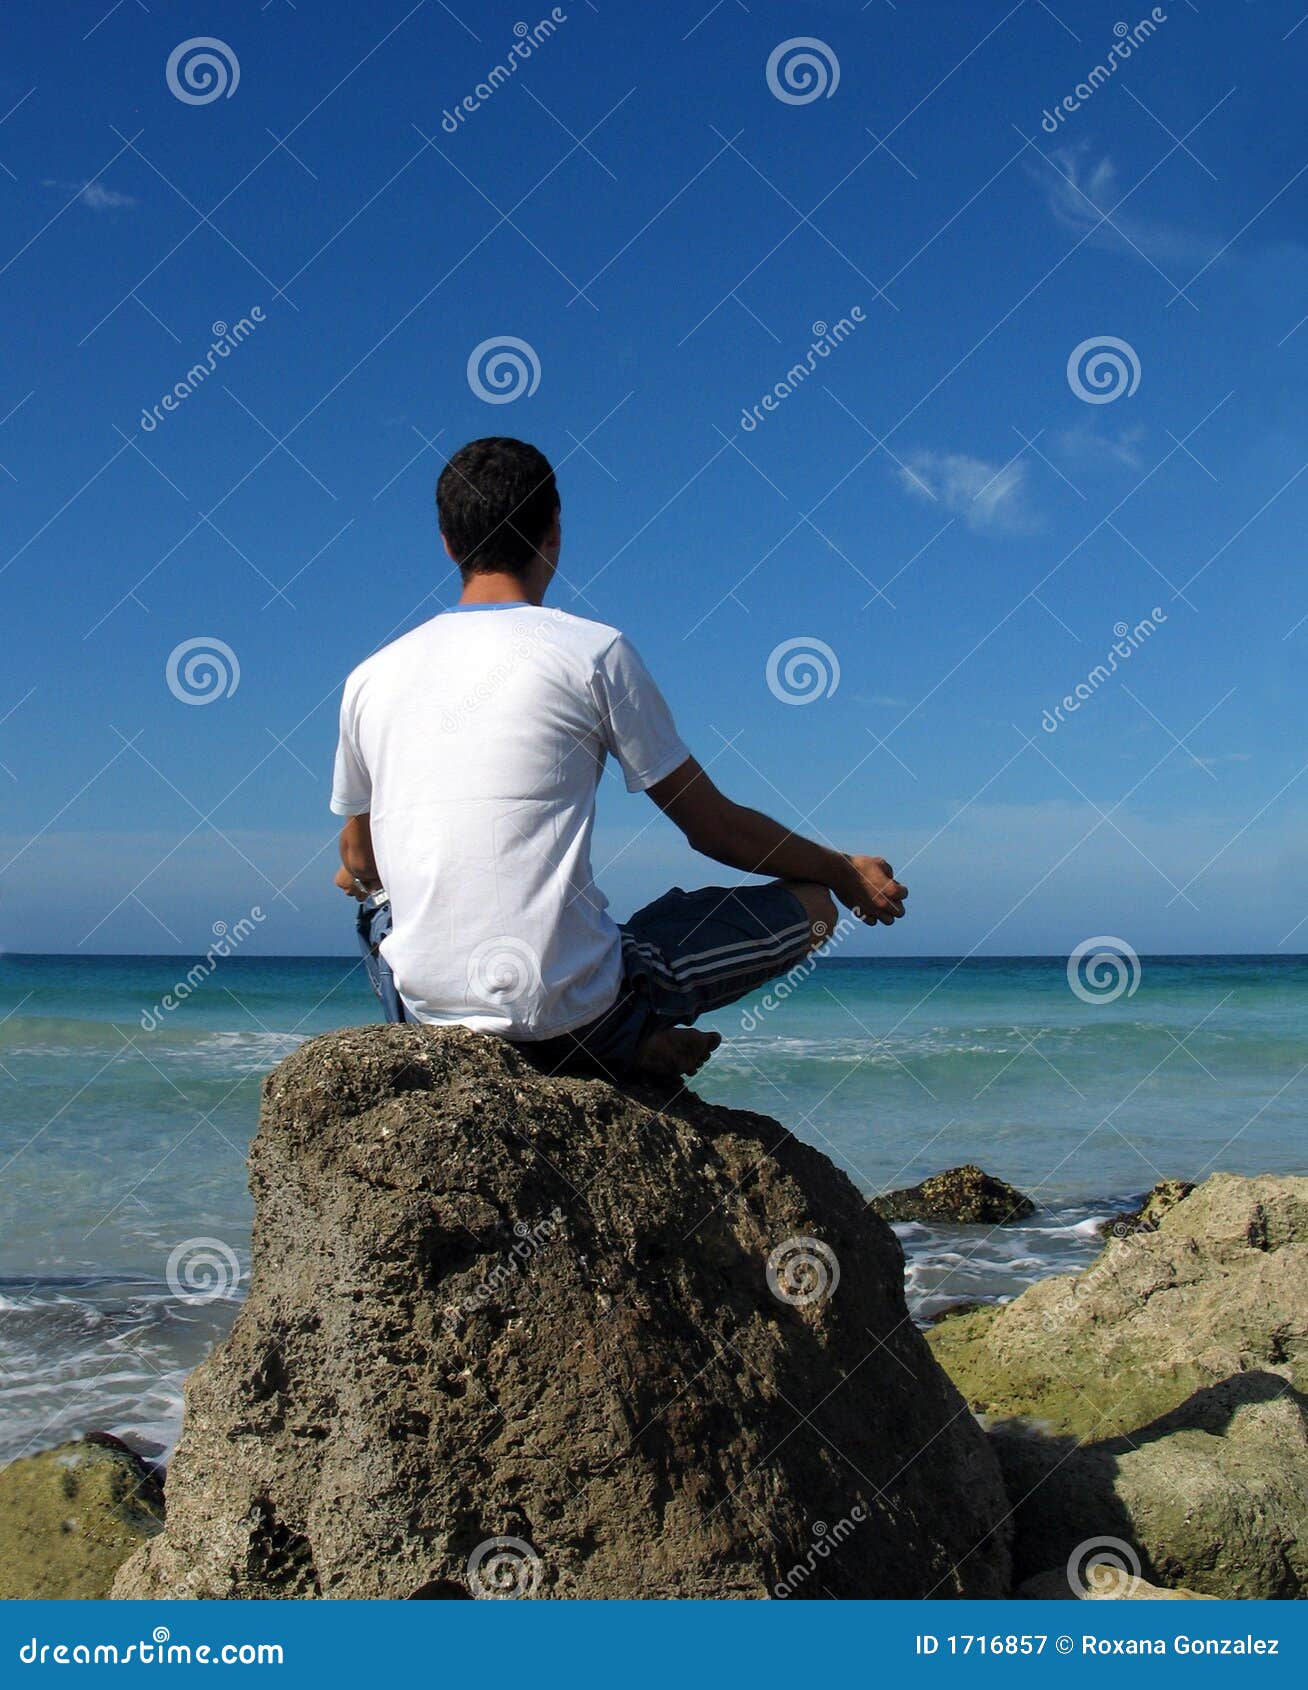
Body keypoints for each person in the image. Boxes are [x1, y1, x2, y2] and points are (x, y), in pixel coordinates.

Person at [331, 436, 907, 1079]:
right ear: (554, 531)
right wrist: (843, 871)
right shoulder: (593, 653)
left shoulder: (369, 678)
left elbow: (358, 862)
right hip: (574, 1018)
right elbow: (713, 828)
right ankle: (629, 1038)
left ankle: (583, 1033)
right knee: (815, 906)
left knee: (372, 905)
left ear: (446, 542)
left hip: (428, 1021)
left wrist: (373, 871)